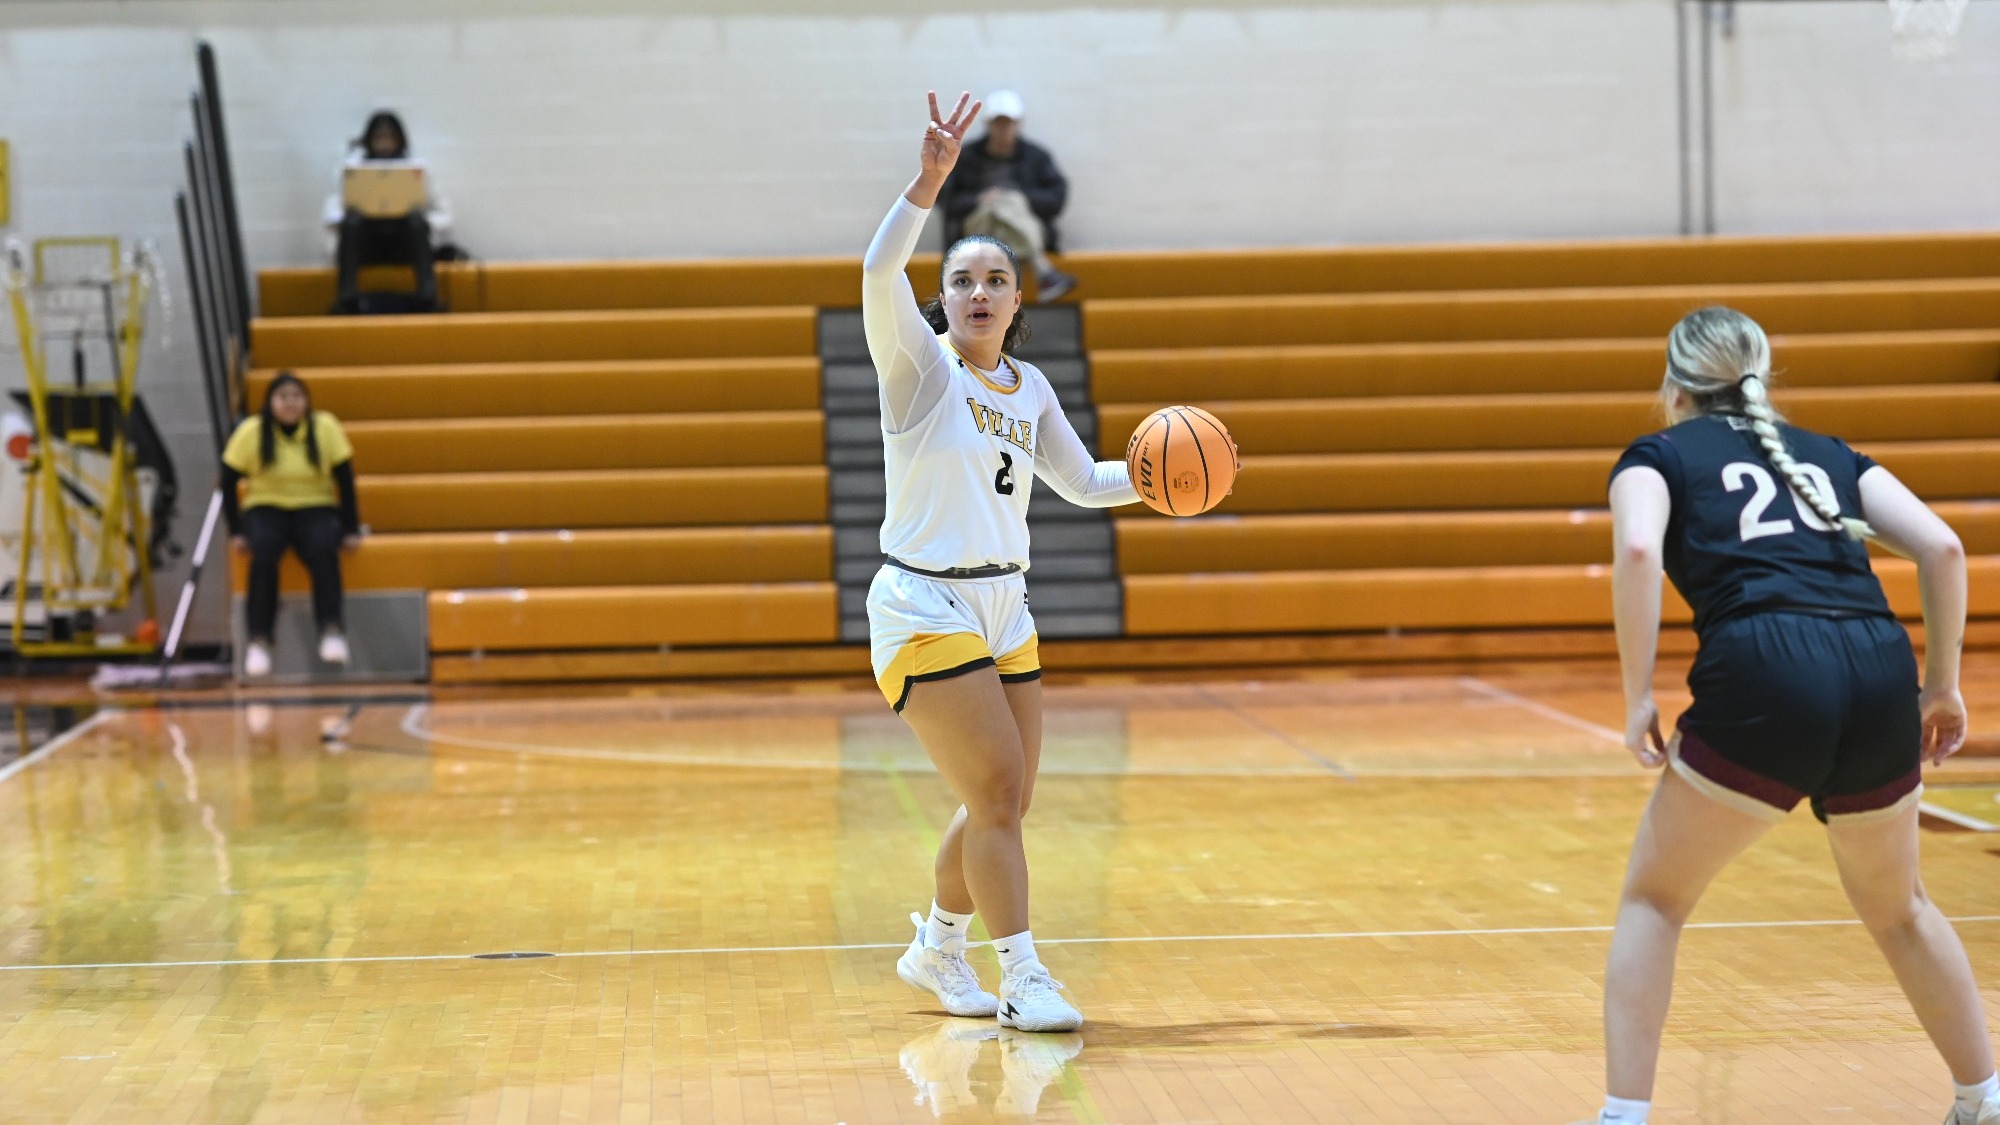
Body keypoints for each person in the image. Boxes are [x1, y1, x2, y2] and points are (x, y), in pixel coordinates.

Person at [1590, 306, 1997, 1125]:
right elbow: (1945, 547)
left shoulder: (1656, 456)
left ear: (1674, 388)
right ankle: (1983, 1097)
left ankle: (1623, 1116)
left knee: (1655, 899)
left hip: (1767, 664)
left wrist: (1637, 697)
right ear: (1761, 378)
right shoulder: (1833, 455)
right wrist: (1942, 686)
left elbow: (1636, 551)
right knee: (1901, 907)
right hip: (1878, 664)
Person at [865, 93, 1171, 1033]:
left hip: (1007, 605)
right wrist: (928, 184)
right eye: (963, 279)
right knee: (996, 790)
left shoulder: (1028, 384)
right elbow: (877, 270)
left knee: (1003, 798)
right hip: (924, 603)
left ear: (1016, 297)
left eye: (997, 278)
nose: (980, 291)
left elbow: (1082, 481)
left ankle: (937, 945)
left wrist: (1162, 482)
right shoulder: (920, 369)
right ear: (943, 297)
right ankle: (1025, 975)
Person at [222, 372, 362, 678]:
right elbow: (228, 480)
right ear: (270, 402)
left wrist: (351, 527)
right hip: (265, 507)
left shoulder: (325, 426)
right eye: (282, 397)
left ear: (306, 401)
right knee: (263, 552)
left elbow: (345, 479)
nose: (290, 403)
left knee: (323, 548)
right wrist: (236, 531)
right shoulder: (251, 431)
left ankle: (331, 629)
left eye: (297, 396)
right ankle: (259, 640)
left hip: (316, 505)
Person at [940, 90, 1077, 302]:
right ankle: (1044, 272)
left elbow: (1056, 200)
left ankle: (992, 281)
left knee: (1009, 201)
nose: (1003, 129)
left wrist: (1017, 198)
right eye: (998, 123)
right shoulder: (966, 156)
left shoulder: (1036, 157)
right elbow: (945, 199)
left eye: (1008, 123)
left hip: (1007, 230)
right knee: (998, 204)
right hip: (979, 224)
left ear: (1018, 124)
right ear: (988, 124)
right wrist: (980, 200)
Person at [323, 110, 452, 313]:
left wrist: (423, 220)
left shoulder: (418, 170)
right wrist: (347, 218)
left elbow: (445, 215)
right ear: (369, 140)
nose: (384, 143)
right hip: (365, 246)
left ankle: (428, 296)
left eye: (390, 137)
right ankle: (346, 298)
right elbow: (330, 214)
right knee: (352, 222)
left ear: (400, 139)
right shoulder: (351, 170)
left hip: (405, 245)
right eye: (379, 137)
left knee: (416, 222)